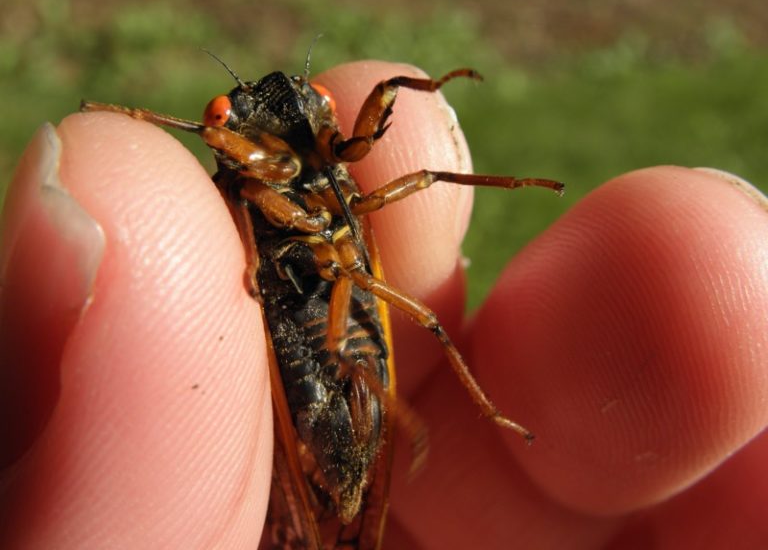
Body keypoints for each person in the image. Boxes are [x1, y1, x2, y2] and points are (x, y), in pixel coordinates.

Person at [1, 61, 766, 549]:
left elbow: (405, 156)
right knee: (366, 320)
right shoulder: (248, 174)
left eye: (314, 102)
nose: (295, 108)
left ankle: (380, 438)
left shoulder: (335, 159)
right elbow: (222, 149)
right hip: (295, 327)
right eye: (236, 117)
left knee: (414, 240)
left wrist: (410, 91)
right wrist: (154, 121)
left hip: (348, 297)